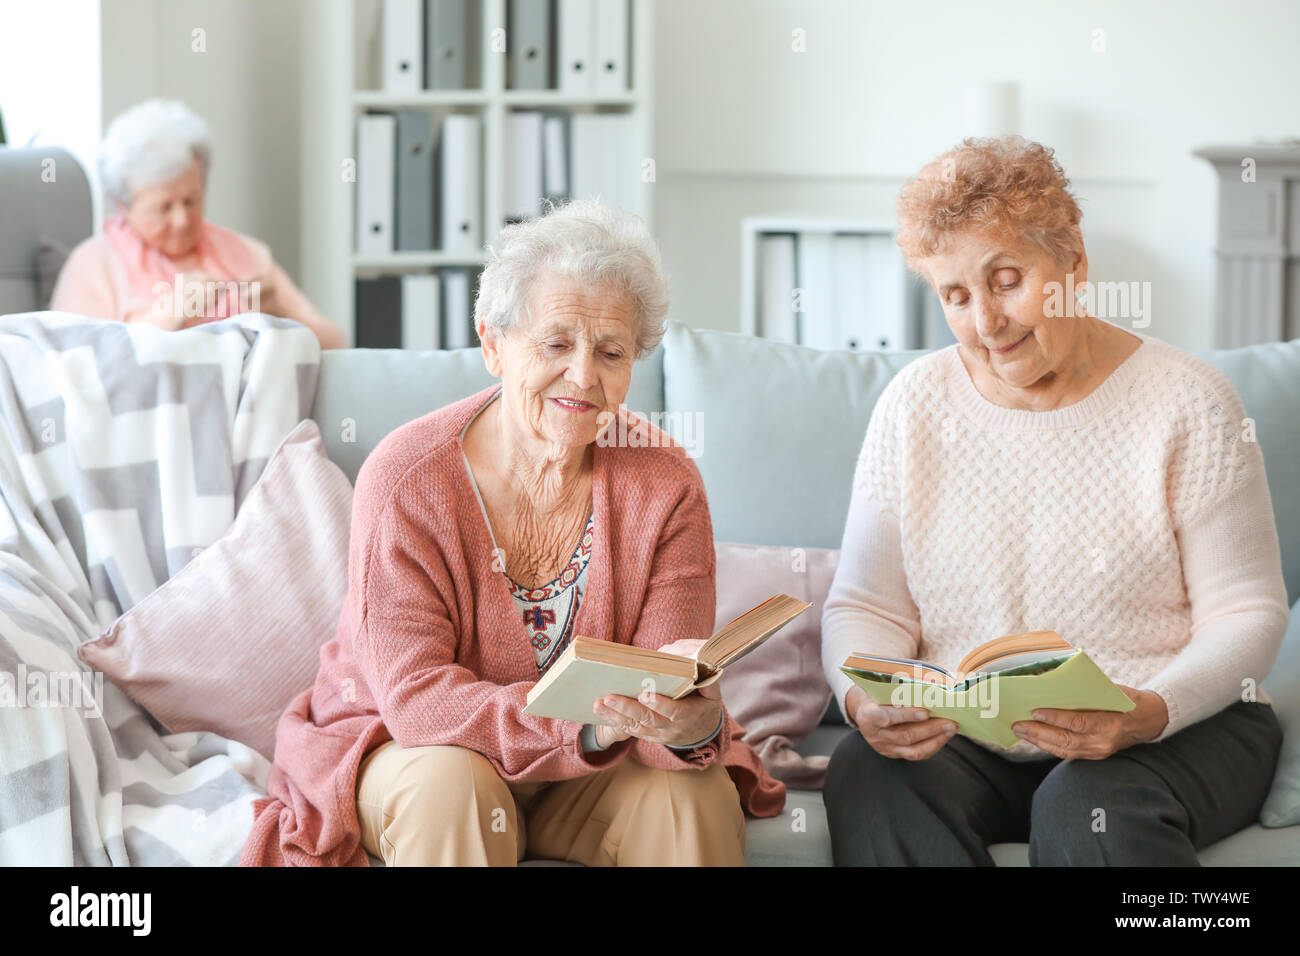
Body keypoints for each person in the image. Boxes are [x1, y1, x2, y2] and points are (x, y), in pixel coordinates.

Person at [241, 199, 784, 867]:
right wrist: (576, 730)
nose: (584, 375)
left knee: (692, 794)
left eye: (610, 352)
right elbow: (417, 703)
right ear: (493, 344)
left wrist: (691, 724)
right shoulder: (409, 479)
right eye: (557, 343)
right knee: (452, 787)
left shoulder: (666, 485)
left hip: (591, 767)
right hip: (417, 753)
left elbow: (664, 681)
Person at [820, 135, 1288, 866]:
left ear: (1073, 260)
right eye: (956, 295)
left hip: (1177, 725)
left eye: (1005, 280)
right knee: (868, 770)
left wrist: (1149, 713)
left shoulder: (1190, 401)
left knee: (1086, 802)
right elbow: (866, 606)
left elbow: (1248, 610)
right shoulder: (913, 406)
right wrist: (865, 703)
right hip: (978, 739)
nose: (985, 321)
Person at [49, 99, 345, 349]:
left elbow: (337, 344)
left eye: (191, 201)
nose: (181, 220)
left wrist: (281, 317)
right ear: (122, 205)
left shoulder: (246, 254)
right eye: (163, 208)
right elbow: (74, 365)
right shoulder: (93, 265)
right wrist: (167, 316)